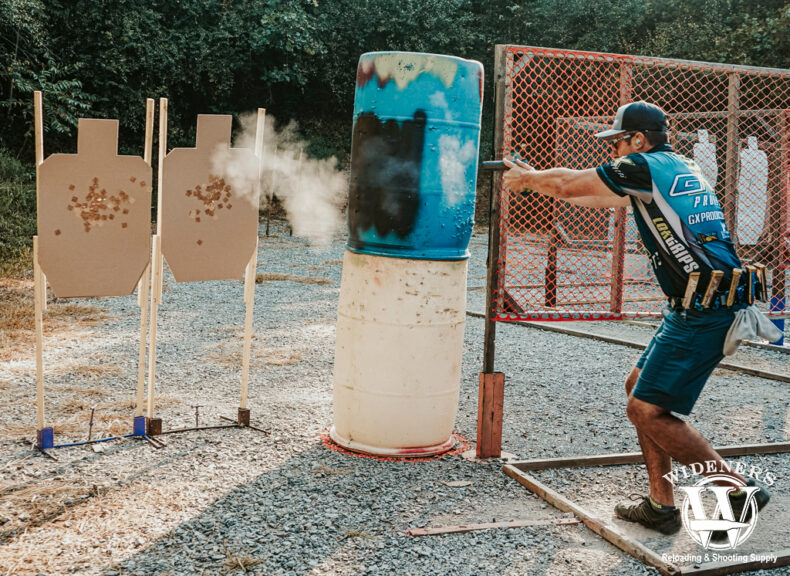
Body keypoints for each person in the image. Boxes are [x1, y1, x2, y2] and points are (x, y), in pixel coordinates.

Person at [502, 101, 770, 536]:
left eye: (619, 142)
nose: (615, 152)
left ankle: (737, 488)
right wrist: (536, 183)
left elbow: (572, 186)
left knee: (646, 410)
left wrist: (531, 180)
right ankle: (661, 505)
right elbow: (592, 193)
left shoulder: (642, 166)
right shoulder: (675, 165)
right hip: (698, 303)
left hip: (706, 308)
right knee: (637, 388)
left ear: (638, 141)